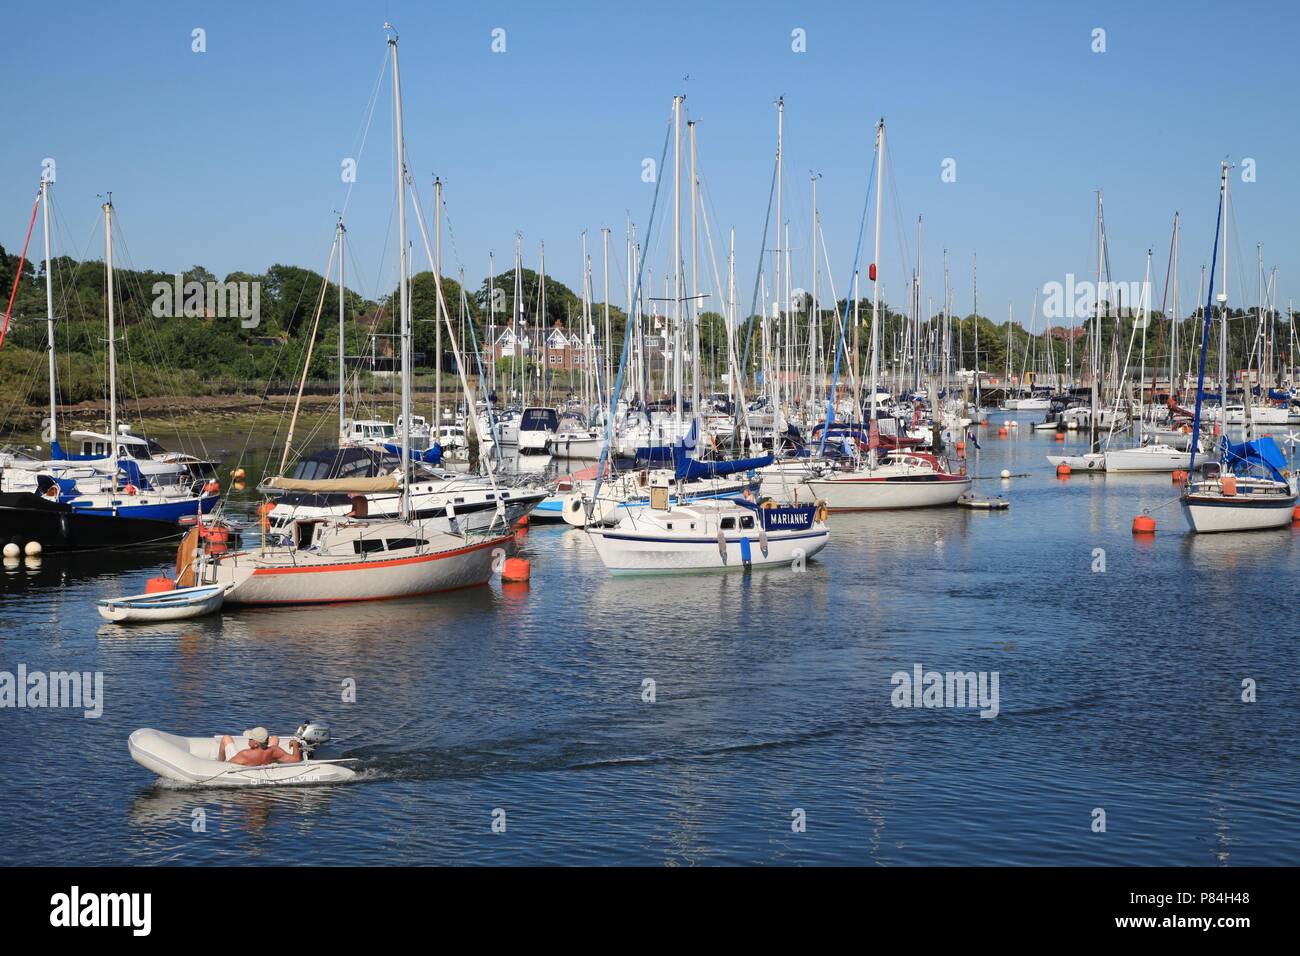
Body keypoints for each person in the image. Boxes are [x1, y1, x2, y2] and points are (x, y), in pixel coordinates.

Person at [217, 727, 302, 765]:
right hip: (265, 757)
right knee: (275, 738)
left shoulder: (245, 754)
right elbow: (296, 759)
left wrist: (219, 765)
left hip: (250, 760)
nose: (248, 739)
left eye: (250, 739)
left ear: (256, 744)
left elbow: (227, 766)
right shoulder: (274, 751)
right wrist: (295, 744)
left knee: (226, 738)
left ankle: (218, 761)